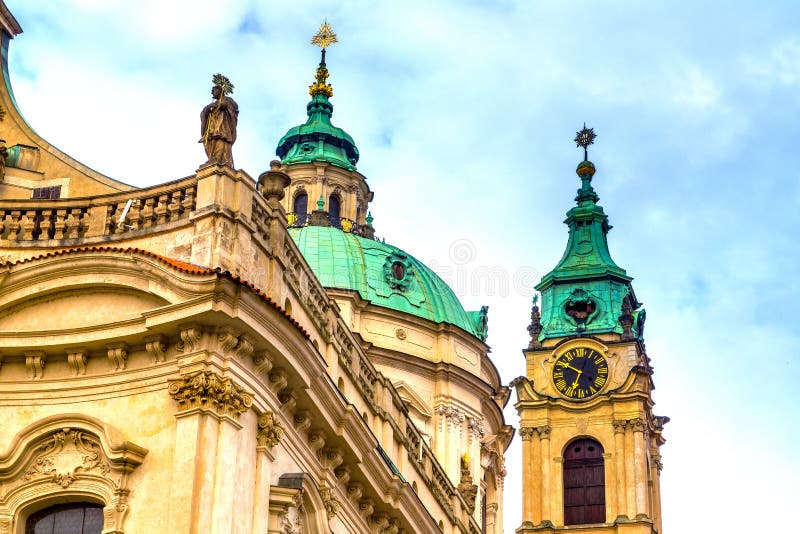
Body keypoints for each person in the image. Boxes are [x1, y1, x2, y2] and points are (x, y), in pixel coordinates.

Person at [200, 82, 238, 167]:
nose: (212, 93)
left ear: (220, 90)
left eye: (213, 90)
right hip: (211, 127)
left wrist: (224, 105)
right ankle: (212, 158)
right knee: (211, 142)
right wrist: (207, 109)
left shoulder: (228, 100)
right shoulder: (212, 104)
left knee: (221, 141)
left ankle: (219, 159)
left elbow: (234, 108)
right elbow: (203, 113)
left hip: (222, 127)